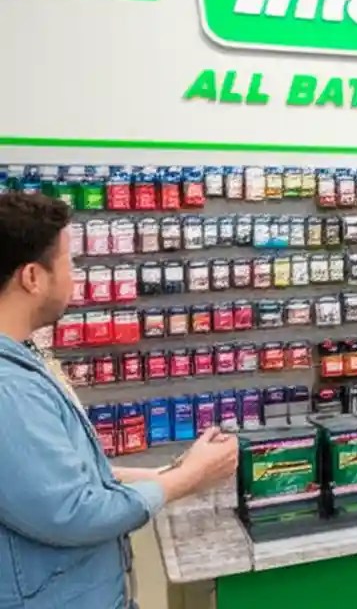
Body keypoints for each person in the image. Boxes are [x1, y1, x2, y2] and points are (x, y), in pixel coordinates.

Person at [0, 192, 238, 609]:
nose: (75, 277)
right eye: (68, 262)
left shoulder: (21, 361)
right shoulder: (7, 389)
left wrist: (174, 469)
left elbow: (68, 476)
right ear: (33, 277)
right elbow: (74, 511)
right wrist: (184, 481)